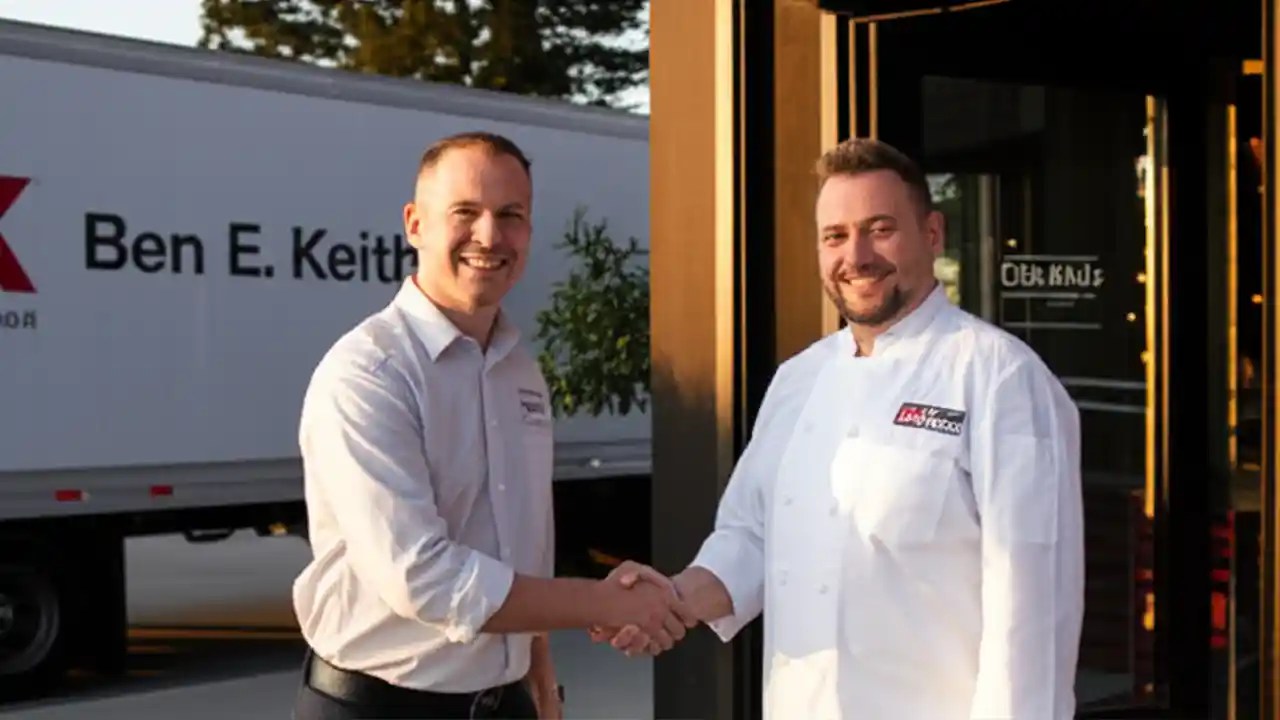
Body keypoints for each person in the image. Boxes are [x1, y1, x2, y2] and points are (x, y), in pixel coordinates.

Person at [593, 137, 1086, 719]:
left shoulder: (1001, 378)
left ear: (932, 235)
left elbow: (1030, 610)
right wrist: (671, 601)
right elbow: (750, 537)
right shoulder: (799, 379)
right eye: (835, 236)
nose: (856, 255)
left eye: (880, 229)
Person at [290, 131, 693, 720]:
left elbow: (520, 545)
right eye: (465, 212)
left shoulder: (518, 371)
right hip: (378, 709)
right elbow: (423, 576)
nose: (489, 235)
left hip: (504, 705)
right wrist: (602, 602)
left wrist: (542, 681)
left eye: (511, 215)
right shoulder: (369, 373)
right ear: (415, 224)